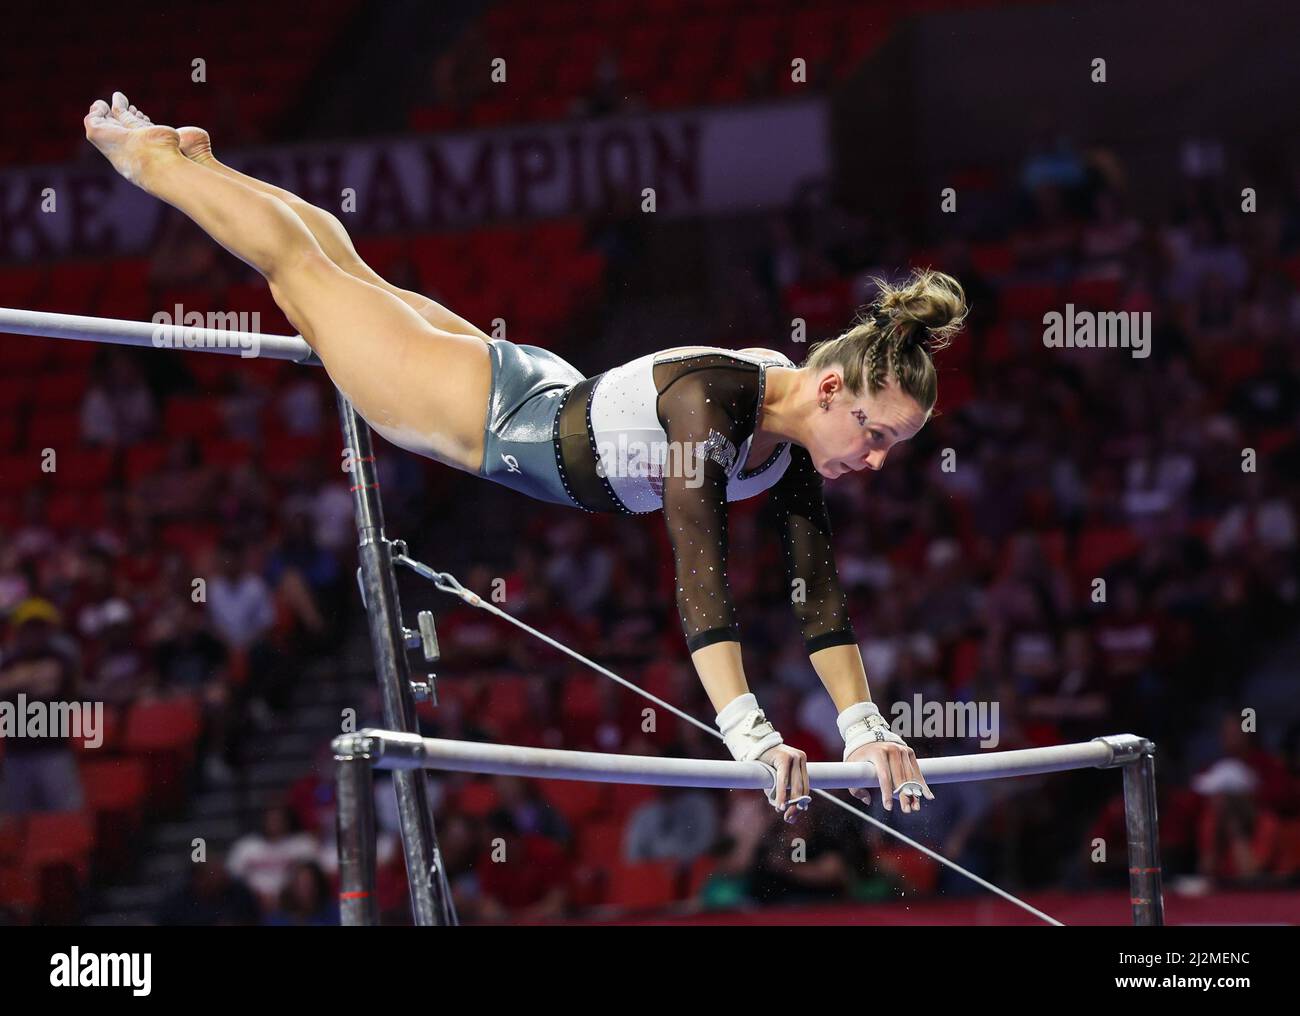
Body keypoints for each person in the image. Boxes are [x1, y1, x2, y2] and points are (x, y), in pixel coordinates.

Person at [83, 92, 965, 821]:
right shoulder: (717, 404)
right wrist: (751, 732)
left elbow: (816, 593)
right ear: (827, 391)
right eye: (877, 434)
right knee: (299, 272)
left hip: (537, 386)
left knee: (340, 268)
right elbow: (701, 573)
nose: (878, 460)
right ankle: (151, 163)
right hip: (488, 415)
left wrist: (865, 727)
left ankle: (202, 165)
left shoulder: (793, 432)